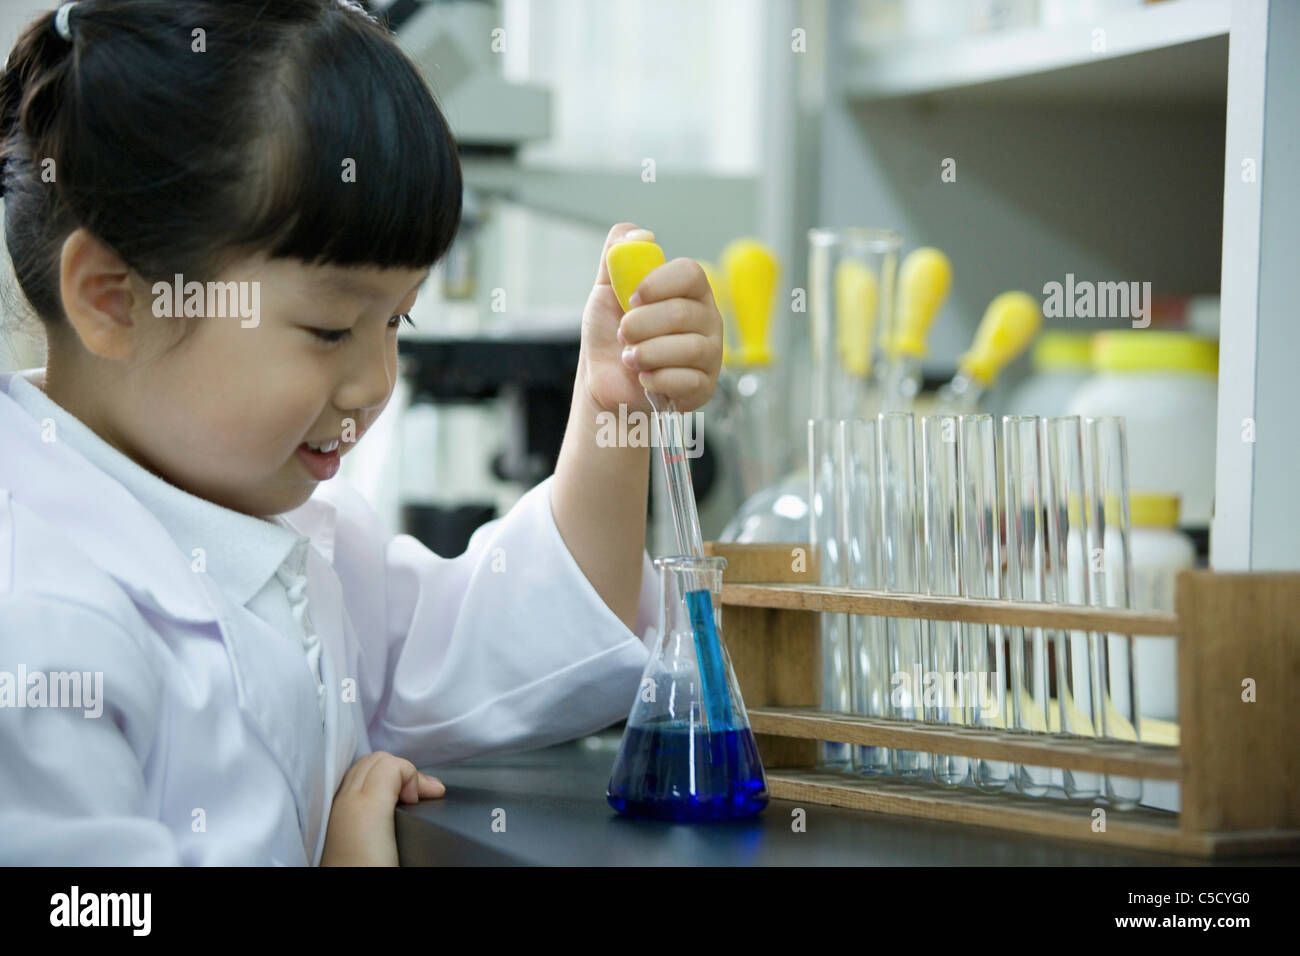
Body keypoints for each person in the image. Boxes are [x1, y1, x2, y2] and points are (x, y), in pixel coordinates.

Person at [0, 0, 722, 865]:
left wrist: (613, 408)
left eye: (397, 324)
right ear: (115, 299)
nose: (377, 381)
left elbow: (521, 637)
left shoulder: (292, 544)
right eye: (333, 328)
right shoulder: (39, 626)